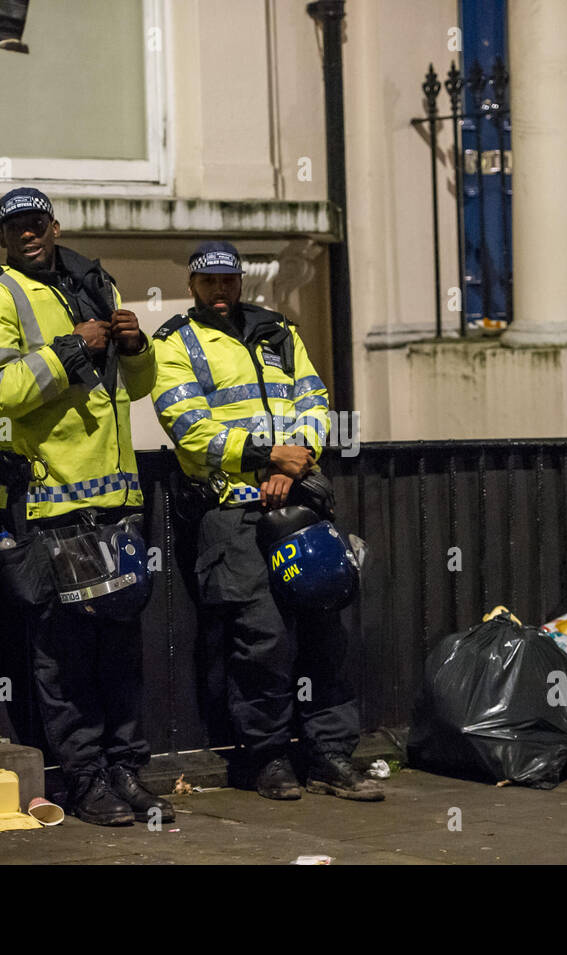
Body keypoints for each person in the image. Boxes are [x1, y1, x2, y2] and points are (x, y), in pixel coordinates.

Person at [0, 187, 173, 827]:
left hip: (117, 501)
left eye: (35, 223)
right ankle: (83, 781)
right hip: (51, 508)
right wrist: (72, 348)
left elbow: (137, 387)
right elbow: (0, 392)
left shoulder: (91, 278)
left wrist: (135, 346)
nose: (26, 234)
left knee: (120, 652)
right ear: (2, 237)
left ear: (53, 226)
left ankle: (126, 772)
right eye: (13, 227)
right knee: (65, 658)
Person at [150, 240, 382, 802]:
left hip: (298, 498)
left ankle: (329, 755)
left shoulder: (279, 329)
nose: (219, 290)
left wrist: (294, 455)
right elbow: (187, 426)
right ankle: (268, 758)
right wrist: (265, 457)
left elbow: (314, 400)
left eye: (228, 280)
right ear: (191, 285)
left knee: (327, 633)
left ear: (241, 281)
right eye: (208, 282)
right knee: (262, 640)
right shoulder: (174, 342)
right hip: (233, 511)